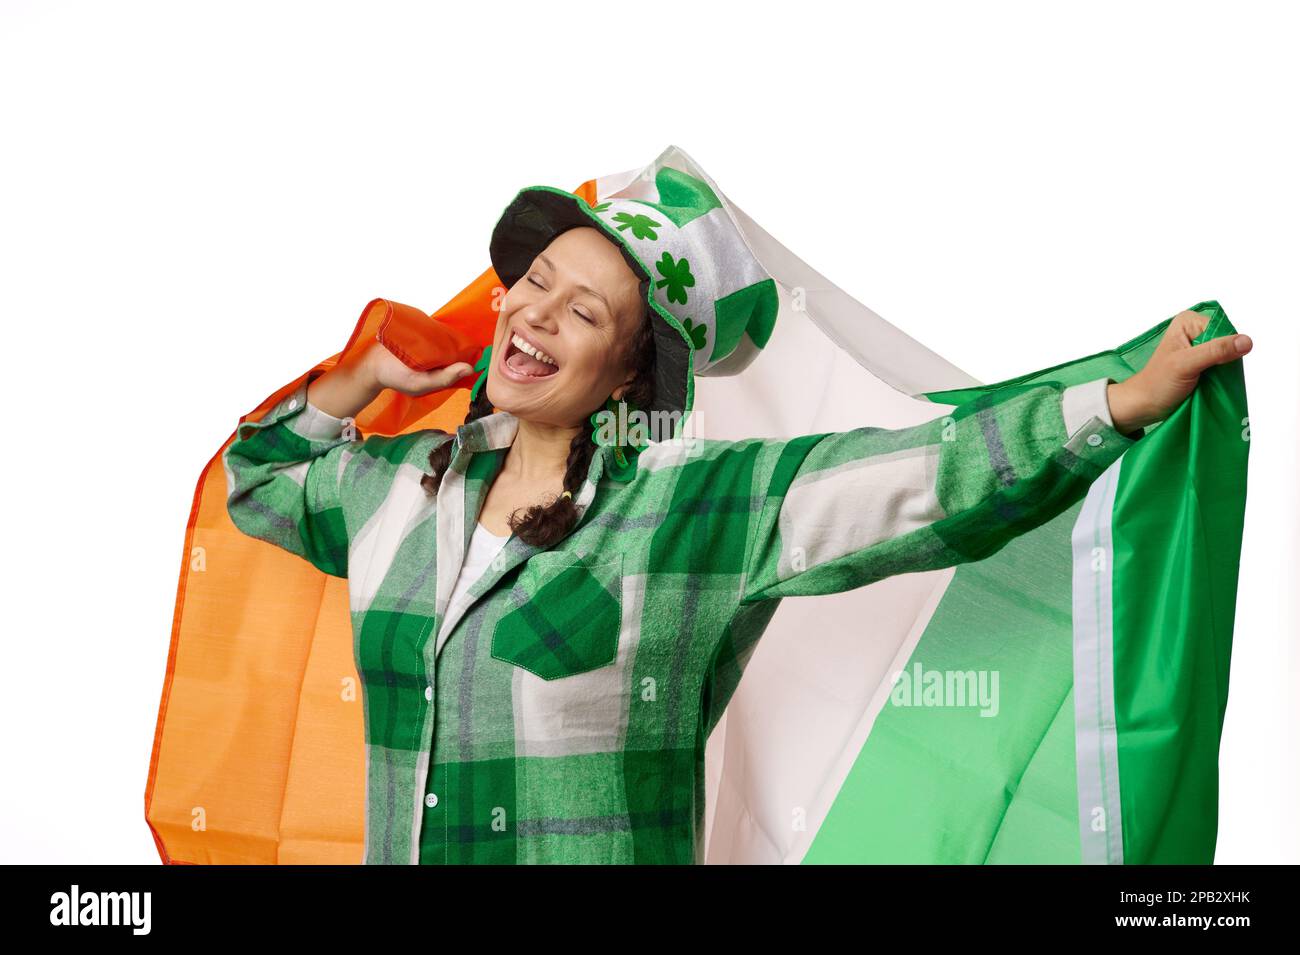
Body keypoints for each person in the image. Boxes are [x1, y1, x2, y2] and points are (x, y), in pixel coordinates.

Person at [223, 170, 1253, 865]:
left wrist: (1112, 407)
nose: (534, 311)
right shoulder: (399, 489)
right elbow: (258, 479)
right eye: (533, 282)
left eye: (583, 310)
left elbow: (916, 478)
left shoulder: (684, 506)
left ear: (629, 371)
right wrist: (356, 378)